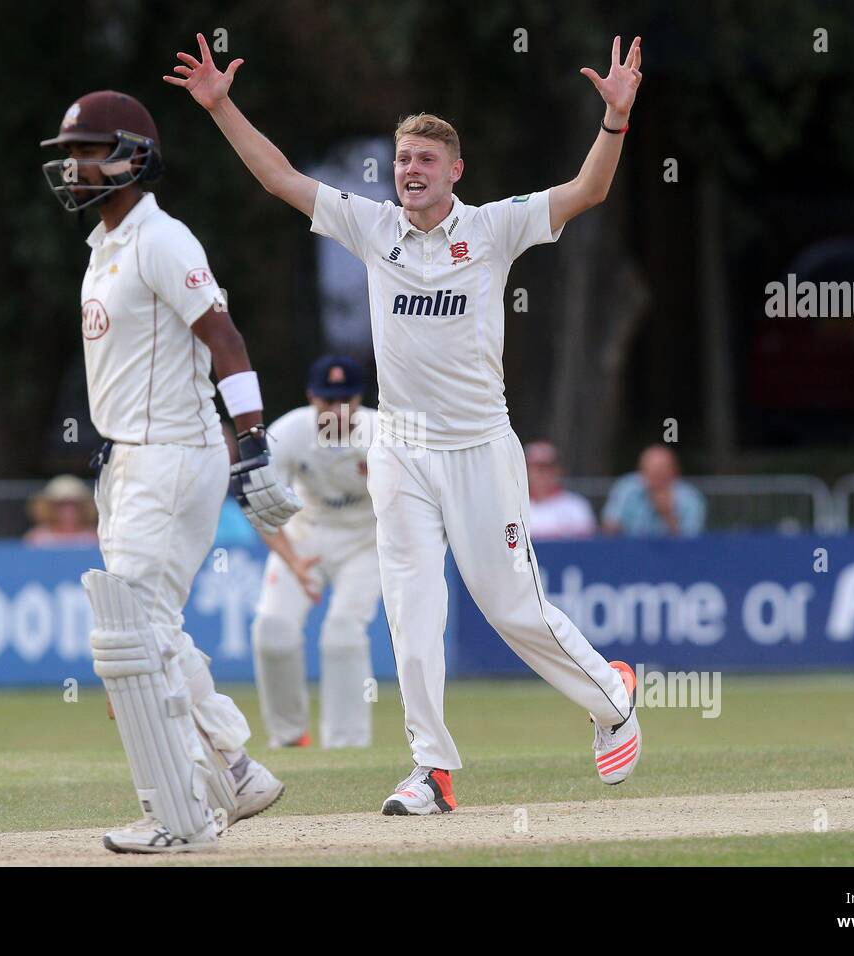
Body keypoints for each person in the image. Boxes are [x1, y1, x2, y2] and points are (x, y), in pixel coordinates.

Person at [166, 33, 645, 815]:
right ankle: (432, 769)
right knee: (411, 611)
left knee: (509, 605)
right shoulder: (373, 227)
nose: (410, 172)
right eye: (401, 161)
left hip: (480, 444)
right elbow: (280, 177)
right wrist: (221, 106)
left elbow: (585, 192)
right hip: (400, 446)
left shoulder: (493, 227)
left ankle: (610, 694)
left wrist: (615, 120)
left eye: (425, 160)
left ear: (454, 170)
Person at [40, 89, 300, 853]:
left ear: (133, 155)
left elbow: (226, 338)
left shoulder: (162, 238)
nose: (75, 166)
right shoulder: (103, 249)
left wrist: (251, 440)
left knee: (130, 639)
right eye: (70, 154)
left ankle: (179, 816)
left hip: (172, 455)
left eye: (88, 150)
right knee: (153, 631)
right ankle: (235, 768)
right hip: (126, 464)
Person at [251, 355, 380, 749]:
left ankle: (346, 745)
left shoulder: (385, 433)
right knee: (272, 631)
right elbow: (261, 507)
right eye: (327, 402)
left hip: (366, 541)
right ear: (312, 397)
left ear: (360, 398)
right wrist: (293, 561)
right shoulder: (288, 432)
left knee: (342, 634)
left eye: (346, 401)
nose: (336, 412)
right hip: (303, 537)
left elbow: (413, 501)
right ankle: (290, 737)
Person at [602, 444, 705, 537]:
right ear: (641, 471)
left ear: (674, 471)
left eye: (661, 470)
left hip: (672, 555)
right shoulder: (626, 489)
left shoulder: (690, 498)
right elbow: (609, 529)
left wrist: (667, 515)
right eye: (651, 471)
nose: (657, 476)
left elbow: (690, 544)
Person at [524, 440, 596, 540]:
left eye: (548, 468)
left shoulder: (576, 506)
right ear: (525, 470)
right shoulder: (514, 508)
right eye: (537, 468)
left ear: (558, 470)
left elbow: (585, 548)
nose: (542, 474)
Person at [23, 475, 99, 547]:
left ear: (84, 508)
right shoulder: (37, 538)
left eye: (74, 505)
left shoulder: (95, 538)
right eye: (61, 505)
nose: (68, 511)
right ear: (49, 508)